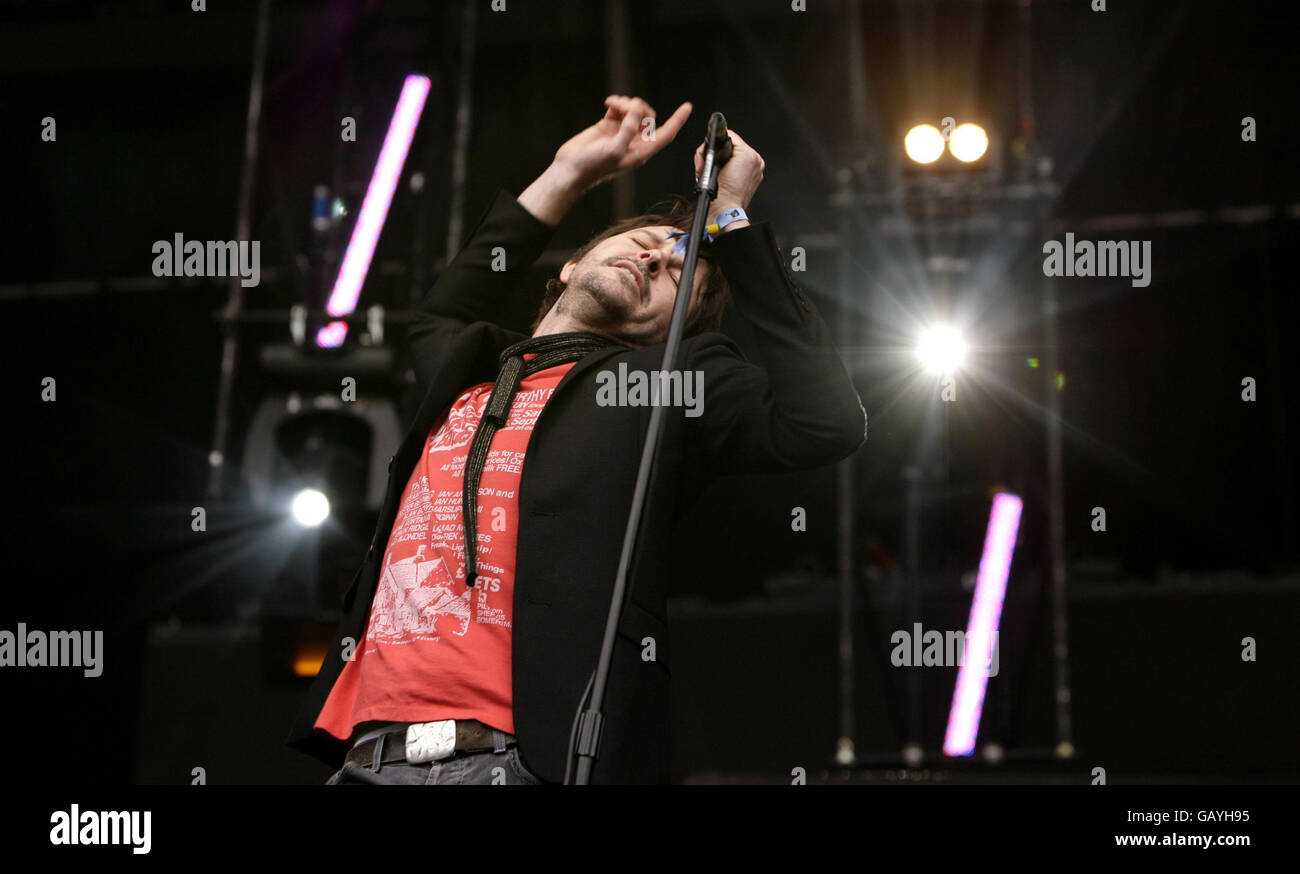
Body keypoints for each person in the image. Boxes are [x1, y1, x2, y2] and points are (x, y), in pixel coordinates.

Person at [286, 95, 867, 784]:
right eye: (644, 242)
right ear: (569, 265)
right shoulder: (466, 373)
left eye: (679, 271)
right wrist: (568, 172)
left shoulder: (657, 385)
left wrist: (729, 221)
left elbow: (823, 422)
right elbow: (445, 306)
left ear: (668, 331)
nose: (655, 258)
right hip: (365, 755)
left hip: (519, 759)